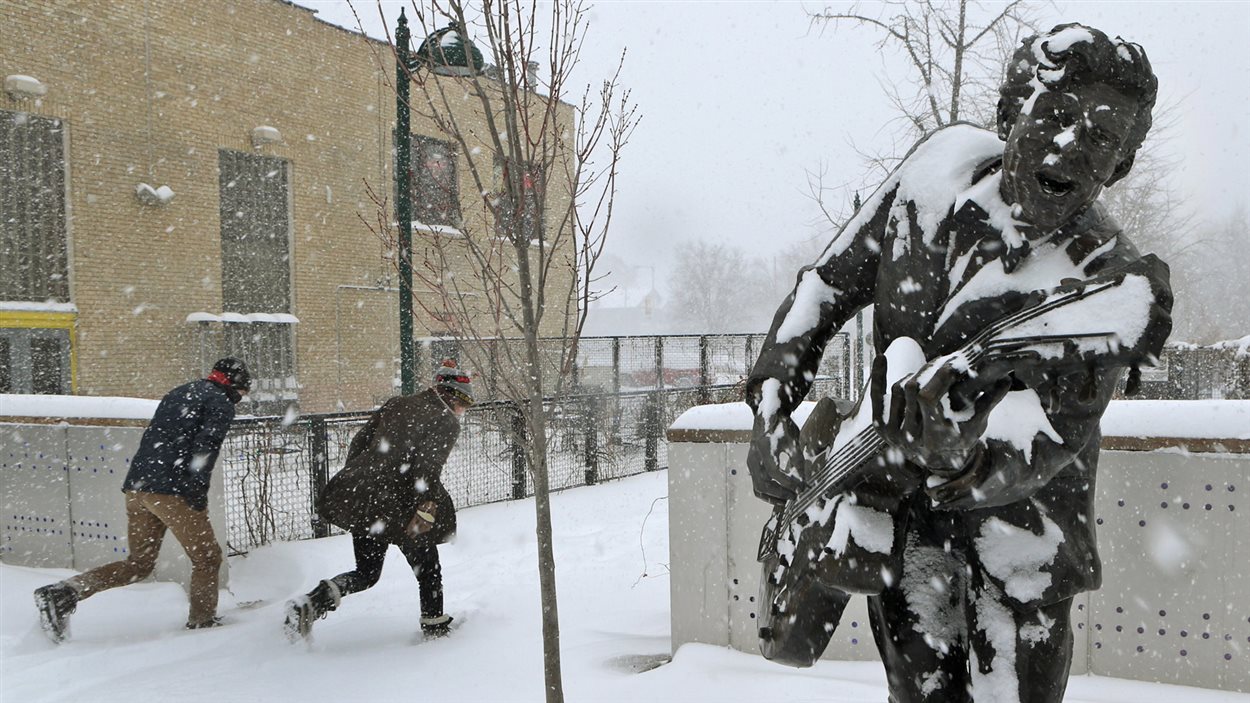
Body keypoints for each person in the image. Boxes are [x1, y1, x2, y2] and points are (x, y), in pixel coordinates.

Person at [746, 24, 1168, 703]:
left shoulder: (1108, 286)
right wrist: (771, 397)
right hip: (899, 519)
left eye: (1100, 137)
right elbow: (826, 285)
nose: (1069, 147)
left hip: (1022, 550)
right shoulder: (932, 171)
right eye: (1055, 116)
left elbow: (1054, 432)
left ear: (1119, 164)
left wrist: (966, 452)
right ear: (1011, 112)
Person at [33, 357, 251, 642]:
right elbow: (205, 449)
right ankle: (202, 623)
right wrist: (197, 493)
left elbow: (158, 437)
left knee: (138, 565)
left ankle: (65, 592)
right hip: (172, 492)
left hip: (137, 489)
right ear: (236, 385)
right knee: (207, 558)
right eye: (245, 392)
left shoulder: (180, 392)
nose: (243, 398)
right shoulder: (220, 403)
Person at [284, 360, 473, 642]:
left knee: (367, 572)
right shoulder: (445, 421)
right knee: (428, 566)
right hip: (399, 503)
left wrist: (360, 479)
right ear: (453, 395)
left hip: (363, 496)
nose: (464, 410)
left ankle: (312, 602)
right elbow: (426, 471)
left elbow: (359, 442)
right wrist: (426, 509)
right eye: (466, 402)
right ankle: (434, 626)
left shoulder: (397, 403)